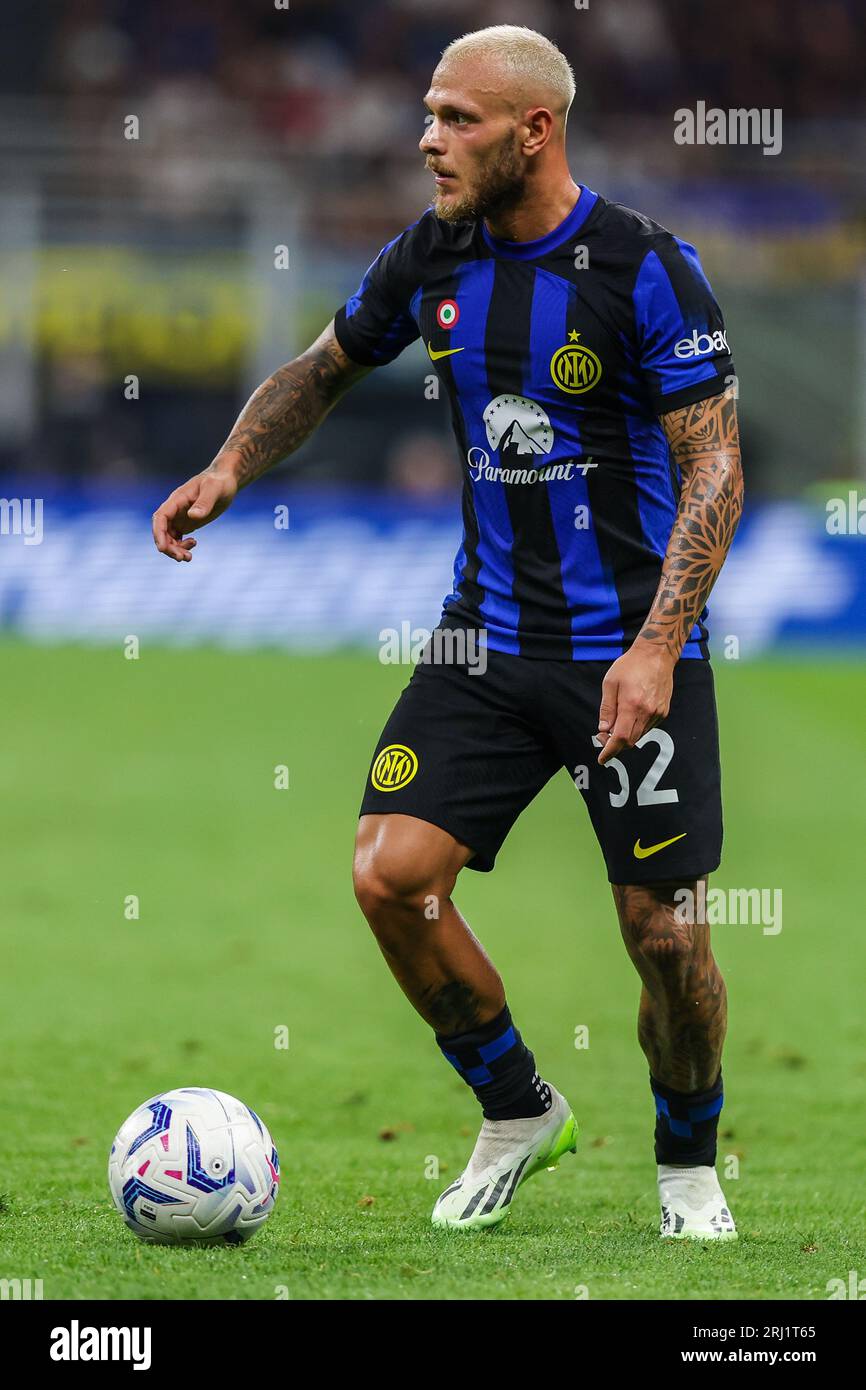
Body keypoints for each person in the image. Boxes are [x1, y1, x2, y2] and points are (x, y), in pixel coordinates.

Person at [153, 24, 743, 1239]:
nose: (427, 137)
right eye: (427, 112)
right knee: (389, 875)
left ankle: (686, 1161)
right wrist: (225, 469)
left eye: (457, 118)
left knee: (663, 936)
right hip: (485, 640)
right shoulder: (430, 252)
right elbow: (321, 369)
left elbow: (714, 472)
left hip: (633, 651)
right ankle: (518, 1105)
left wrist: (651, 646)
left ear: (534, 129)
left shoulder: (645, 267)